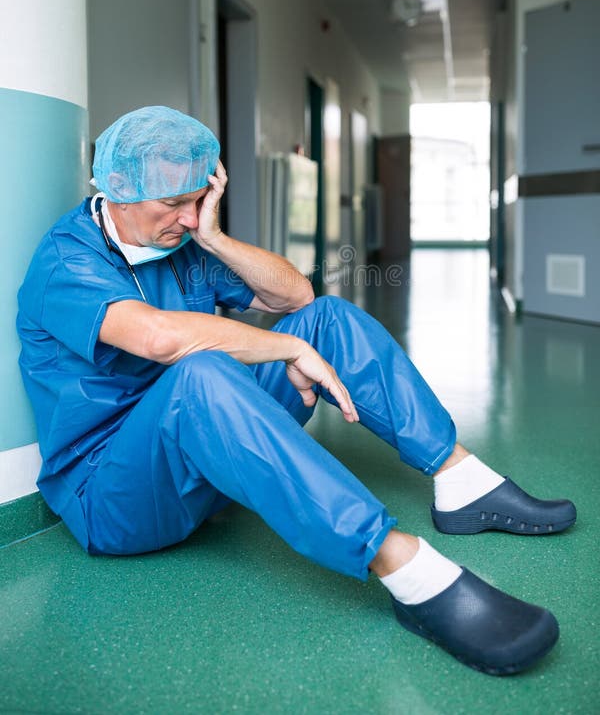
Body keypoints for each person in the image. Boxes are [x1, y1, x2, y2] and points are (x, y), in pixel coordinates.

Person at [17, 106, 576, 676]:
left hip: (204, 467)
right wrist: (285, 349)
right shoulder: (66, 258)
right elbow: (160, 339)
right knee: (201, 372)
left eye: (198, 200)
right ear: (118, 189)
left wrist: (215, 238)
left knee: (327, 320)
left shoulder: (181, 243)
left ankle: (461, 480)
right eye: (174, 204)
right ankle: (406, 567)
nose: (187, 218)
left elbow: (296, 297)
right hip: (114, 496)